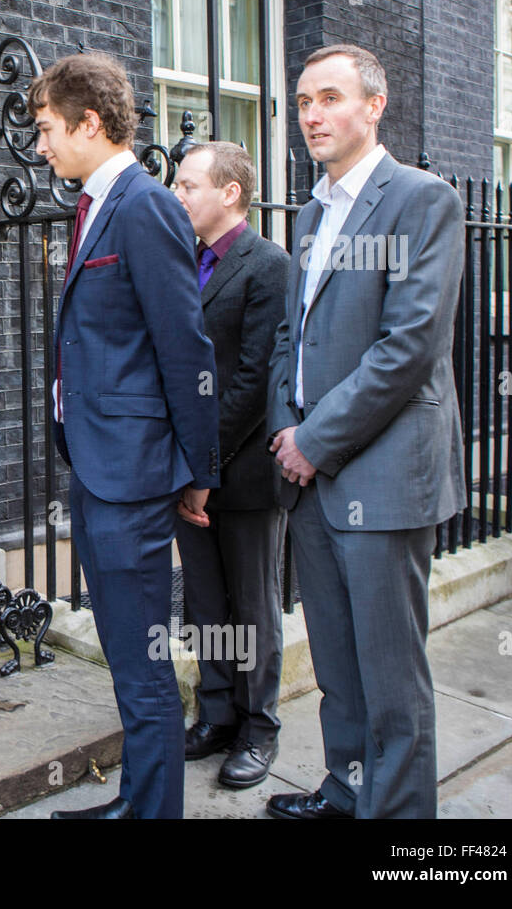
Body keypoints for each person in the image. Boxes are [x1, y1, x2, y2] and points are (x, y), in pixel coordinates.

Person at [266, 44, 466, 819]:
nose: (311, 114)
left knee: (391, 676)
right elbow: (293, 338)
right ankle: (347, 792)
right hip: (307, 472)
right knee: (338, 665)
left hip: (380, 473)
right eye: (303, 100)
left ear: (374, 106)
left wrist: (317, 440)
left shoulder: (424, 201)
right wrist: (289, 429)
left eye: (330, 98)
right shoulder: (313, 211)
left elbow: (408, 348)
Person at [30, 54, 220, 819]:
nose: (40, 145)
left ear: (90, 123)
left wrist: (198, 469)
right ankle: (139, 801)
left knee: (143, 666)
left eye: (47, 129)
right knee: (123, 651)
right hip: (98, 463)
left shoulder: (144, 205)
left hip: (134, 475)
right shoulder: (95, 205)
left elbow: (187, 348)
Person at [171, 141, 288, 789]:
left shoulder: (268, 265)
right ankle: (215, 716)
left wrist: (203, 467)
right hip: (188, 472)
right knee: (206, 607)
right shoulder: (183, 262)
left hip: (239, 475)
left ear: (230, 193)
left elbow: (254, 380)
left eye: (189, 185)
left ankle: (258, 728)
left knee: (254, 607)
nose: (178, 195)